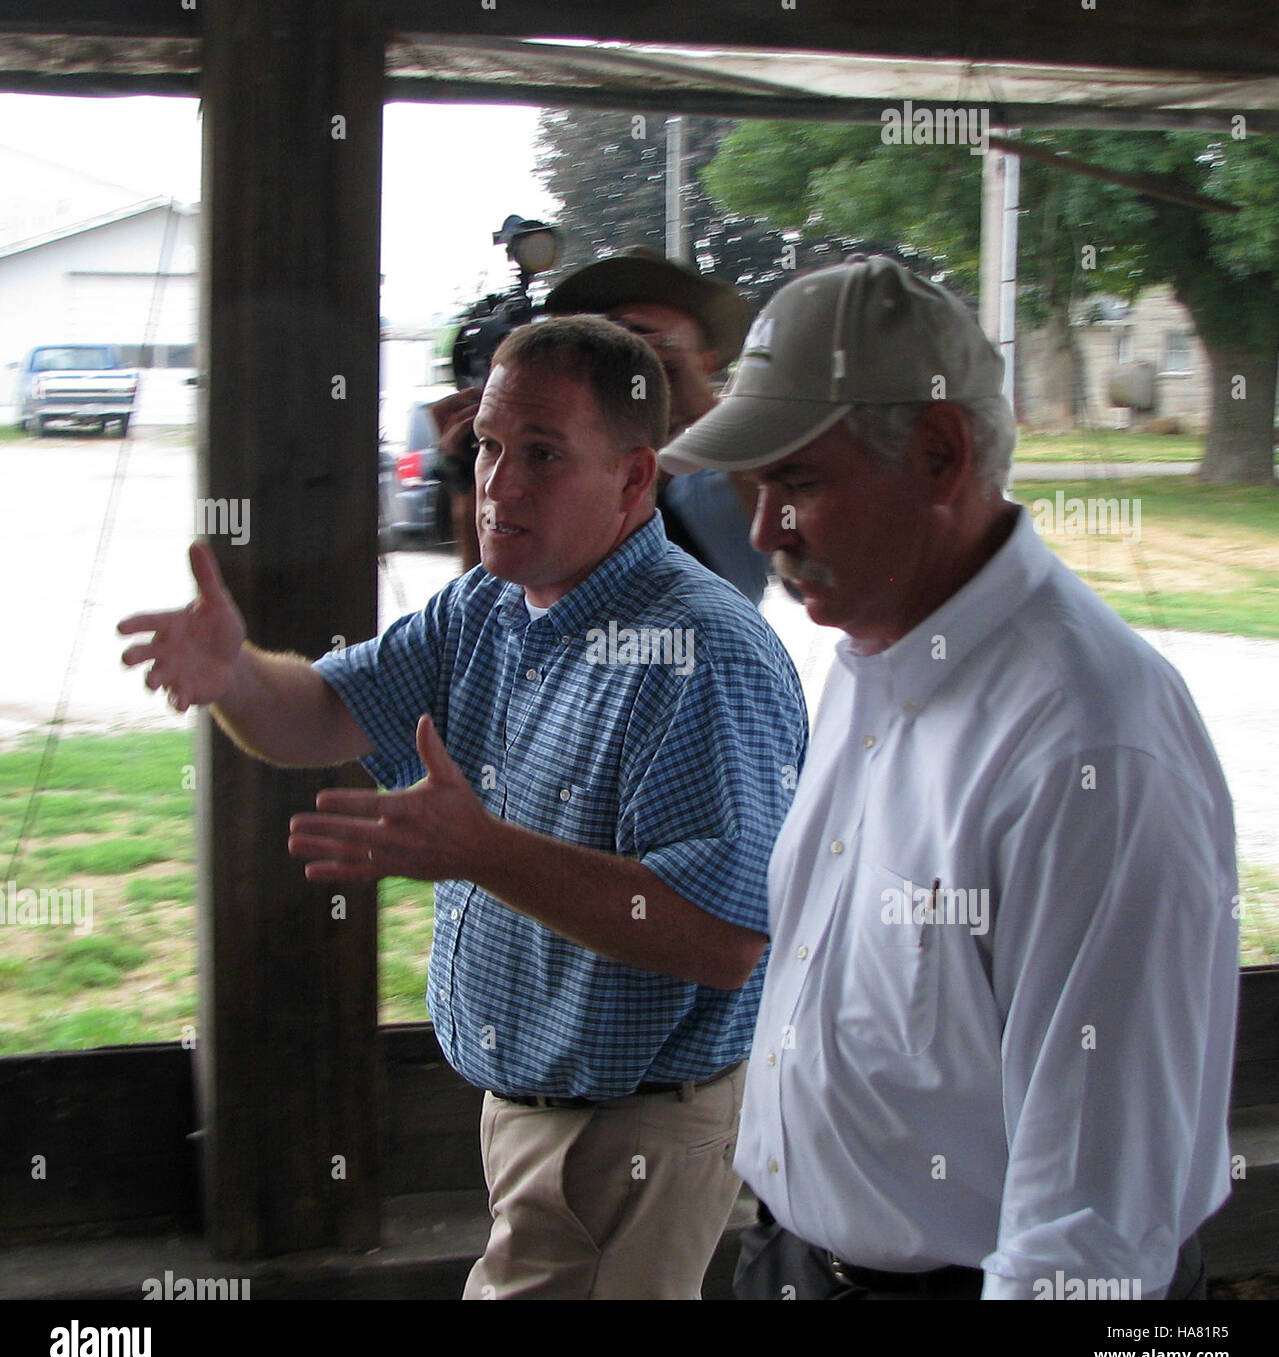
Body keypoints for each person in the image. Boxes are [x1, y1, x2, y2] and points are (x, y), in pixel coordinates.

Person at [119, 315, 808, 1300]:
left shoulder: (702, 652)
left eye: (542, 454)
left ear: (633, 477)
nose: (498, 482)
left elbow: (725, 937)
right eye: (486, 444)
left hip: (633, 1138)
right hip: (528, 1118)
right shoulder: (488, 606)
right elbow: (320, 711)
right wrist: (232, 674)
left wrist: (483, 851)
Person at [658, 255, 1238, 1301]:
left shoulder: (1088, 748)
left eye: (797, 484)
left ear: (938, 454)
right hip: (792, 1259)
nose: (762, 534)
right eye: (755, 489)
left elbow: (1089, 1238)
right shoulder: (876, 649)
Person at [435, 246, 771, 603]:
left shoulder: (727, 472)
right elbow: (493, 605)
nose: (620, 354)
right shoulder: (571, 458)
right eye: (607, 332)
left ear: (704, 361)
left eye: (641, 334)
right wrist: (466, 477)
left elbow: (791, 542)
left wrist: (700, 405)